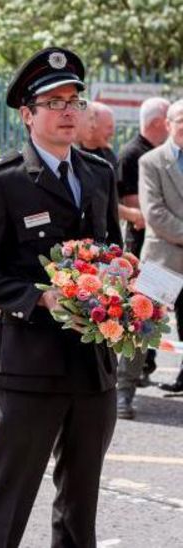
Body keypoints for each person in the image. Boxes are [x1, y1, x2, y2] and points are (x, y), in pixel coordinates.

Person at [0, 47, 121, 547]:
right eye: (54, 102)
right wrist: (39, 298)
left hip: (93, 365)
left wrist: (137, 295)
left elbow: (115, 253)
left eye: (75, 100)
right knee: (7, 499)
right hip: (30, 367)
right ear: (28, 115)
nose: (69, 111)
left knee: (80, 503)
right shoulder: (1, 180)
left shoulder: (98, 173)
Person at [116, 97, 170, 397]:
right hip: (153, 252)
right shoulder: (136, 156)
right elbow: (142, 212)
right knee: (143, 318)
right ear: (162, 123)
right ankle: (126, 387)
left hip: (171, 249)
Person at [136, 99, 183, 396]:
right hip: (162, 258)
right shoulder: (150, 161)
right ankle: (126, 390)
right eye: (181, 120)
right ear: (168, 124)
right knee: (143, 327)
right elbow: (154, 214)